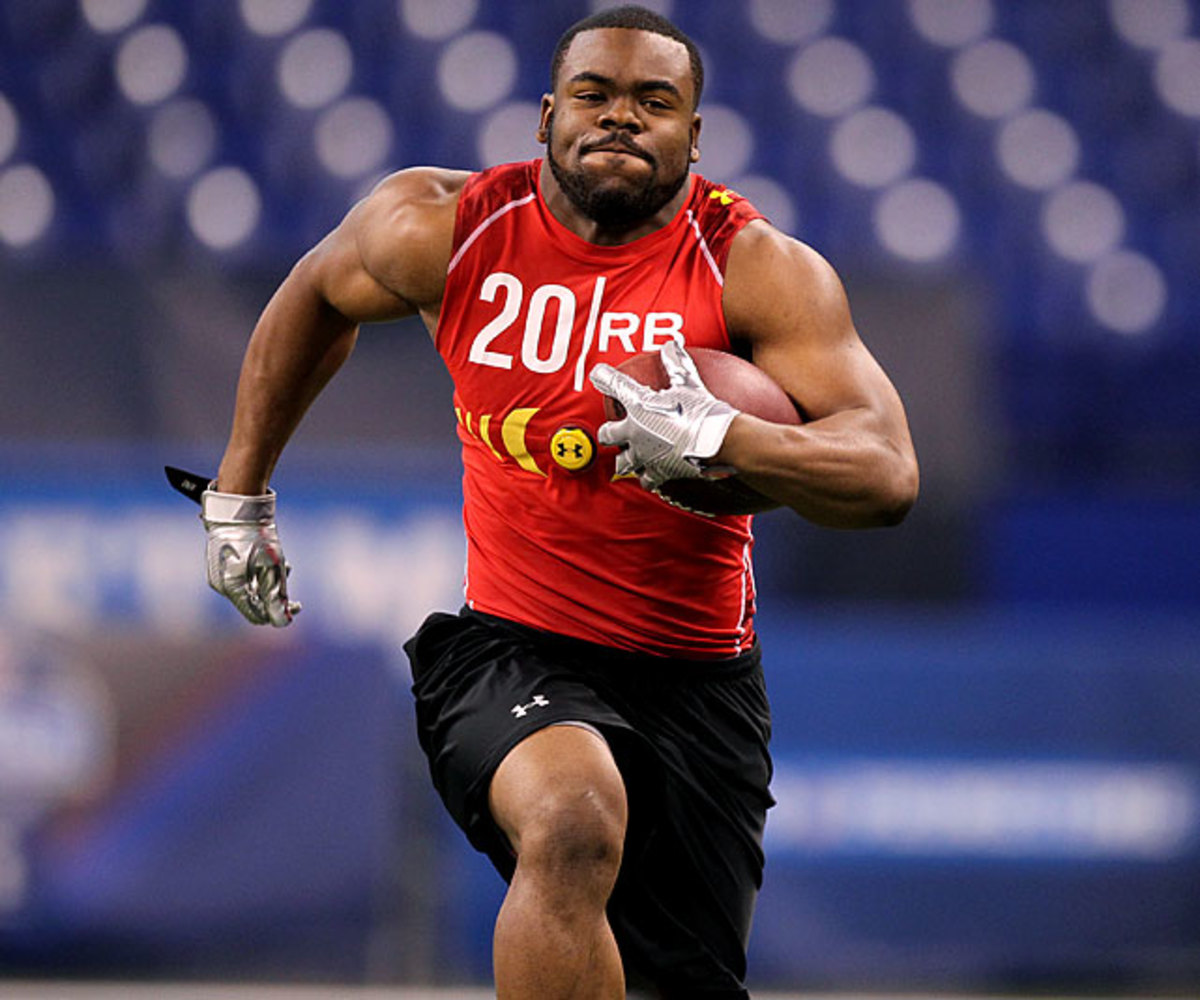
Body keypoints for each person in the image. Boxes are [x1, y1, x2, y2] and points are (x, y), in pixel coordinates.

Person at [196, 5, 918, 997]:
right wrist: (238, 495)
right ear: (546, 116)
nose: (621, 118)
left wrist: (725, 436)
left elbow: (886, 475)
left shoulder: (756, 270)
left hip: (696, 685)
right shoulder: (446, 227)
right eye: (595, 94)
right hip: (509, 650)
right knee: (574, 820)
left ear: (694, 136)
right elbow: (317, 293)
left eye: (654, 102)